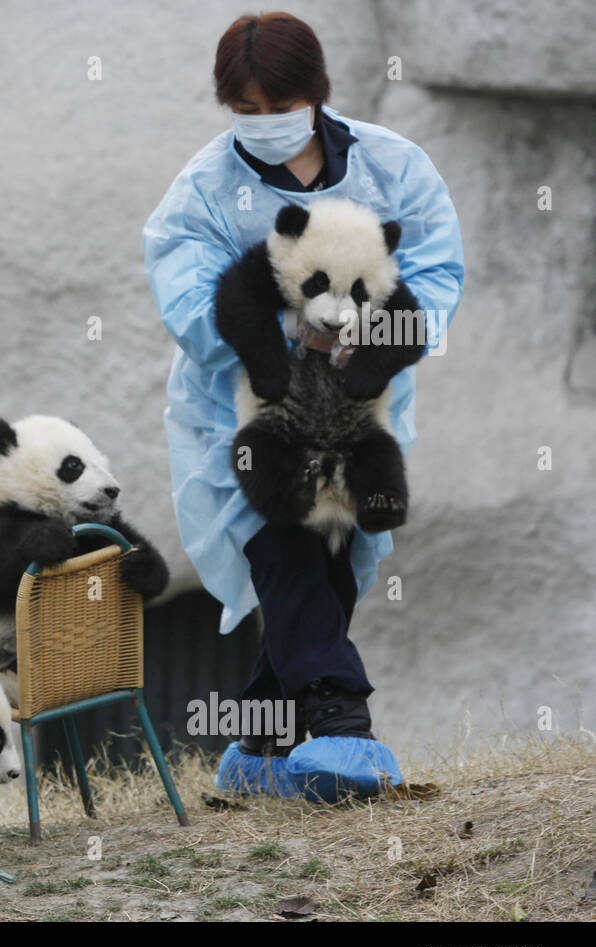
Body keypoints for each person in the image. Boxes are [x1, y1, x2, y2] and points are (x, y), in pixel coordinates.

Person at [142, 12, 464, 798]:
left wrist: (367, 339)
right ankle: (344, 730)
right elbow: (190, 301)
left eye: (276, 108)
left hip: (360, 412)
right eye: (243, 111)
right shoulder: (205, 190)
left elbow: (436, 273)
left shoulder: (393, 167)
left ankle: (260, 745)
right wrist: (294, 331)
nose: (263, 125)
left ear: (315, 94)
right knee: (283, 555)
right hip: (247, 418)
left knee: (338, 568)